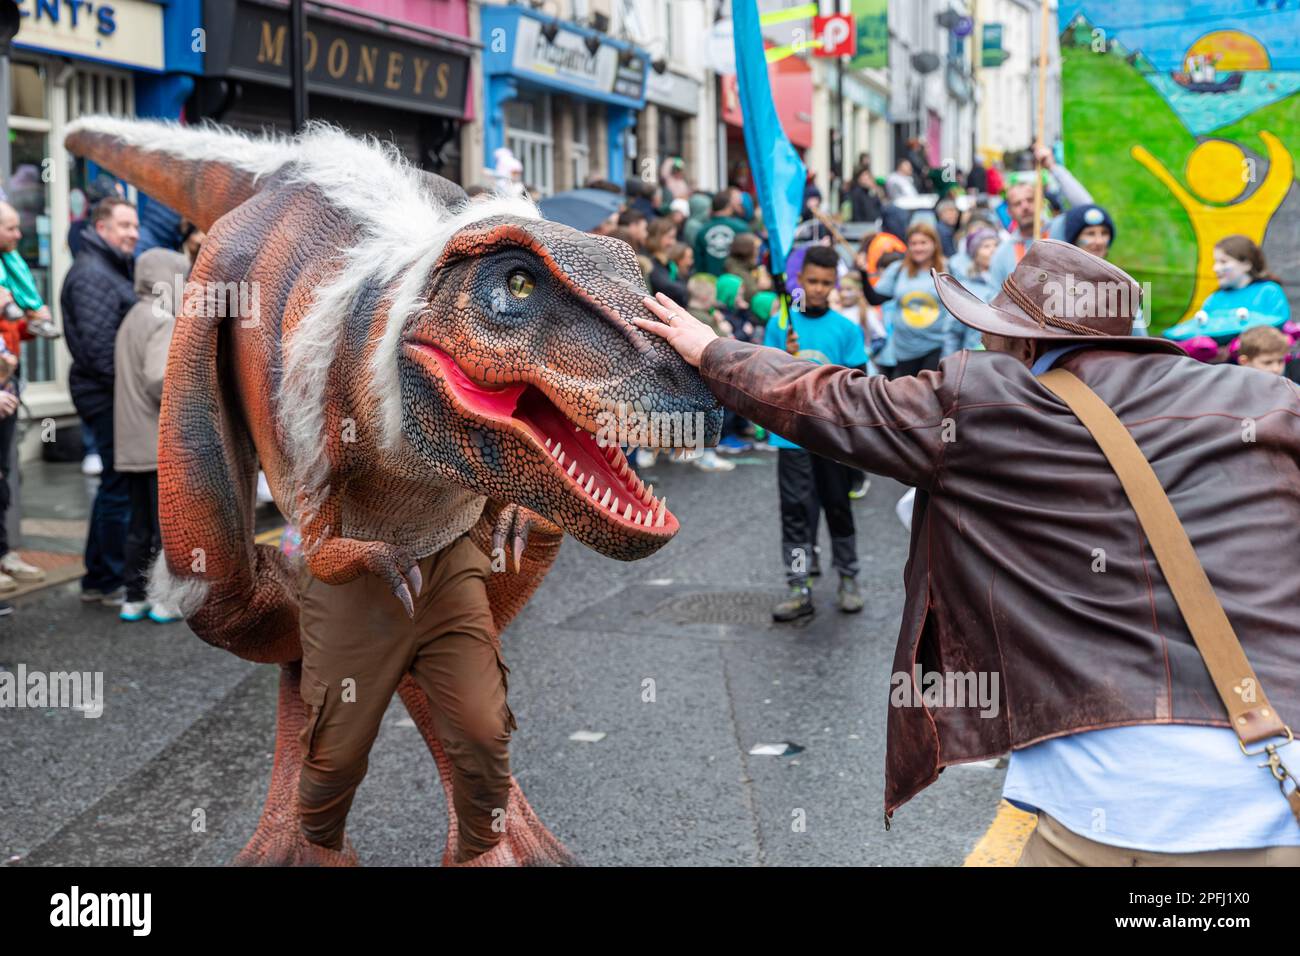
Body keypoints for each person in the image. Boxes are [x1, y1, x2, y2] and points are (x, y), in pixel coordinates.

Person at [639, 238, 1300, 866]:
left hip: (1118, 810)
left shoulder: (988, 401)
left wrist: (713, 351)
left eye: (993, 325)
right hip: (1279, 790)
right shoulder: (1267, 399)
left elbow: (833, 401)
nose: (984, 338)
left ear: (1024, 338)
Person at [758, 246, 866, 622]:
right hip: (791, 435)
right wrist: (784, 363)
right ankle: (798, 583)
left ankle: (848, 577)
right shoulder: (779, 326)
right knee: (797, 512)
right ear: (799, 281)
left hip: (832, 436)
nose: (818, 289)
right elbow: (762, 382)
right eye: (811, 282)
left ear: (833, 283)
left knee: (837, 504)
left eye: (825, 282)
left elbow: (859, 386)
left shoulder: (846, 329)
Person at [61, 196, 139, 606]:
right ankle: (109, 579)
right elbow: (99, 351)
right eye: (125, 225)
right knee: (118, 487)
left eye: (135, 225)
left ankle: (97, 576)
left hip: (110, 393)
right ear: (102, 228)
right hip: (106, 395)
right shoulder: (93, 274)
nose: (134, 233)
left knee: (113, 483)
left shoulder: (108, 267)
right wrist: (136, 388)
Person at [114, 247, 189, 623]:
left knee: (138, 525)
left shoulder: (132, 316)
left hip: (129, 439)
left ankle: (132, 598)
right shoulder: (163, 317)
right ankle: (163, 600)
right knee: (166, 527)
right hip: (155, 439)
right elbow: (158, 378)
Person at [987, 143, 1093, 288]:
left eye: (1030, 200)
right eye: (1017, 204)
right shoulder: (1002, 255)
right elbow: (993, 301)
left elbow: (1087, 209)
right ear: (1009, 212)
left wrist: (1053, 167)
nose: (1025, 206)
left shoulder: (1060, 229)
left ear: (1041, 204)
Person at [874, 222, 953, 377]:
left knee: (927, 394)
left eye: (923, 243)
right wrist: (863, 273)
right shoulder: (898, 270)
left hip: (937, 346)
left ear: (934, 244)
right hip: (905, 349)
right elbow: (875, 299)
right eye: (913, 243)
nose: (918, 248)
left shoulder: (949, 268)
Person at [1198, 235, 1290, 329]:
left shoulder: (1268, 292)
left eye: (1223, 262)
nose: (1216, 268)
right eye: (1215, 262)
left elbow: (1281, 331)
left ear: (1246, 264)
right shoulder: (1213, 300)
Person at [694, 189, 751, 276]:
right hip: (736, 283)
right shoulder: (741, 228)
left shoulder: (702, 231)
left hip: (710, 282)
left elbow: (699, 264)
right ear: (729, 206)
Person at [646, 218, 688, 307]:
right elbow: (669, 288)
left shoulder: (667, 262)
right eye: (670, 237)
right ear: (657, 237)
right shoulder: (648, 261)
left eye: (674, 238)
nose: (673, 242)